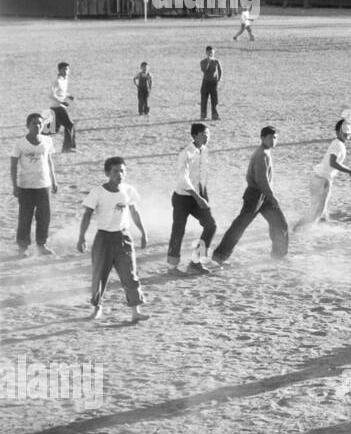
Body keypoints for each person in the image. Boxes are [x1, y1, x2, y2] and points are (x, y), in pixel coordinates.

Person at [76, 156, 149, 322]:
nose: (119, 174)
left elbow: (134, 212)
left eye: (122, 171)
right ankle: (97, 308)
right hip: (104, 238)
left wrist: (143, 232)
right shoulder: (98, 192)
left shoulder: (129, 190)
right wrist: (81, 237)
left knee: (130, 275)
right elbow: (87, 214)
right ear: (107, 173)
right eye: (115, 171)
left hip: (124, 237)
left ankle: (135, 311)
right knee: (99, 275)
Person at [211, 126, 289, 265]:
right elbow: (261, 179)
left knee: (279, 224)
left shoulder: (265, 152)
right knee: (241, 225)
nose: (273, 141)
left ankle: (279, 256)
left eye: (275, 138)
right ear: (263, 138)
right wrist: (271, 196)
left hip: (262, 195)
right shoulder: (262, 155)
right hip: (257, 195)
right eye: (270, 138)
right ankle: (219, 256)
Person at [167, 122, 218, 273]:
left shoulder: (205, 151)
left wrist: (204, 197)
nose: (207, 137)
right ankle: (172, 266)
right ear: (194, 135)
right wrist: (198, 198)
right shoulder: (186, 153)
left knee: (211, 225)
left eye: (208, 134)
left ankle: (196, 262)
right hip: (182, 198)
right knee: (178, 230)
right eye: (203, 134)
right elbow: (183, 179)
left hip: (198, 197)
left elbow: (202, 177)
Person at [295, 119, 351, 229]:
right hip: (322, 179)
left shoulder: (337, 143)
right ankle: (298, 229)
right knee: (316, 210)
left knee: (318, 207)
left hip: (317, 177)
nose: (346, 132)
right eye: (344, 130)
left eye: (348, 130)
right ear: (338, 132)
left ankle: (321, 224)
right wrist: (350, 171)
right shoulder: (338, 145)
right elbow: (333, 163)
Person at [11, 112, 59, 257]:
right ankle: (23, 246)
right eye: (34, 123)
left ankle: (41, 244)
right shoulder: (20, 143)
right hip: (26, 186)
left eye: (40, 123)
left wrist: (54, 180)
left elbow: (49, 161)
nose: (37, 126)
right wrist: (15, 186)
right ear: (27, 126)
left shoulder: (47, 140)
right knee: (25, 217)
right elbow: (13, 165)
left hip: (44, 185)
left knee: (44, 216)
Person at [49, 62, 77, 153]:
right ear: (60, 70)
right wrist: (61, 101)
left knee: (54, 129)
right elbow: (51, 95)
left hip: (60, 107)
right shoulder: (56, 81)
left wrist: (69, 96)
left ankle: (37, 136)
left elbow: (62, 92)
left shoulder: (65, 80)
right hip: (57, 107)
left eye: (67, 69)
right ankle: (68, 148)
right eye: (64, 69)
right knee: (70, 124)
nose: (66, 71)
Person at [199, 46, 222, 120]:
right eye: (209, 52)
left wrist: (219, 78)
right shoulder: (203, 62)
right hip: (206, 83)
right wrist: (208, 62)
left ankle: (215, 115)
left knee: (215, 100)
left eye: (211, 52)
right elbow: (204, 70)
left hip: (213, 83)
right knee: (204, 100)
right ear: (206, 53)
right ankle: (203, 116)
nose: (210, 54)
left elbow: (220, 70)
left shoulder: (216, 61)